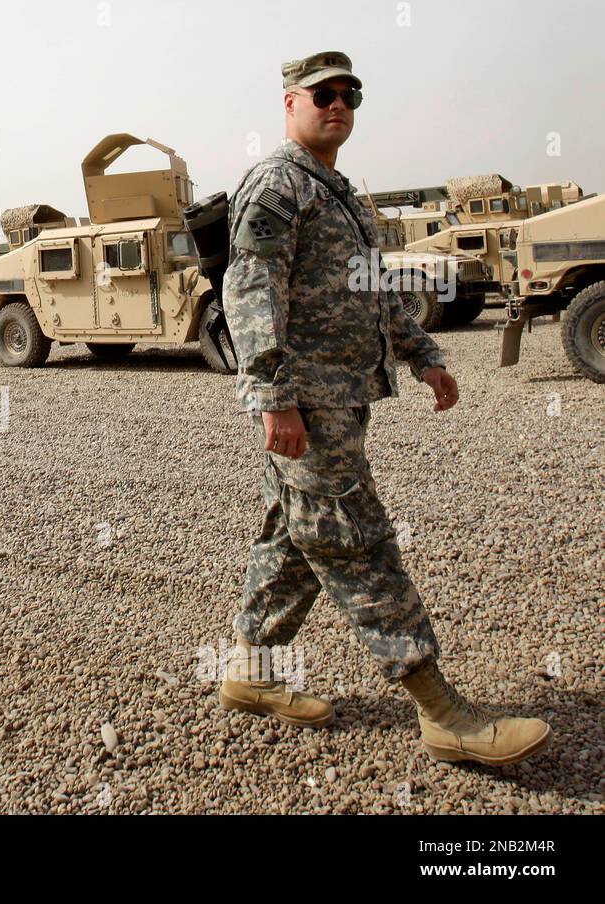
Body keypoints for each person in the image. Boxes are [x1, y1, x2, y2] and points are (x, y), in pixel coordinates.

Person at [218, 51, 550, 766]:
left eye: (350, 94)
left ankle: (248, 672)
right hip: (307, 405)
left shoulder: (336, 190)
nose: (338, 104)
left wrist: (422, 353)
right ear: (290, 103)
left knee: (295, 537)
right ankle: (441, 710)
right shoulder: (277, 187)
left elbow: (372, 287)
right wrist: (275, 399)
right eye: (323, 94)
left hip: (341, 400)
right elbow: (248, 295)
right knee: (357, 541)